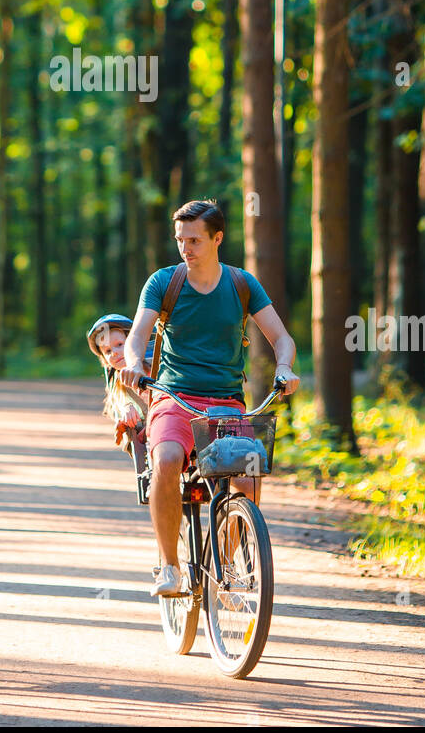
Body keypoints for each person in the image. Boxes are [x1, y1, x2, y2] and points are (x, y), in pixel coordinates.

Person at [119, 198, 300, 598]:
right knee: (166, 459)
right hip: (173, 397)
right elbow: (137, 337)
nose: (186, 248)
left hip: (226, 403)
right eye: (181, 239)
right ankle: (169, 567)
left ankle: (227, 564)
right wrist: (134, 363)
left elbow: (281, 338)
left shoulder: (241, 284)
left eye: (195, 240)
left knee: (248, 475)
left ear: (218, 238)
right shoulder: (164, 282)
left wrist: (284, 368)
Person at [86, 313, 152, 450]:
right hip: (145, 435)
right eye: (108, 351)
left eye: (120, 345)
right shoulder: (117, 383)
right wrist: (125, 409)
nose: (114, 353)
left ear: (133, 343)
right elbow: (117, 405)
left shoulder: (154, 367)